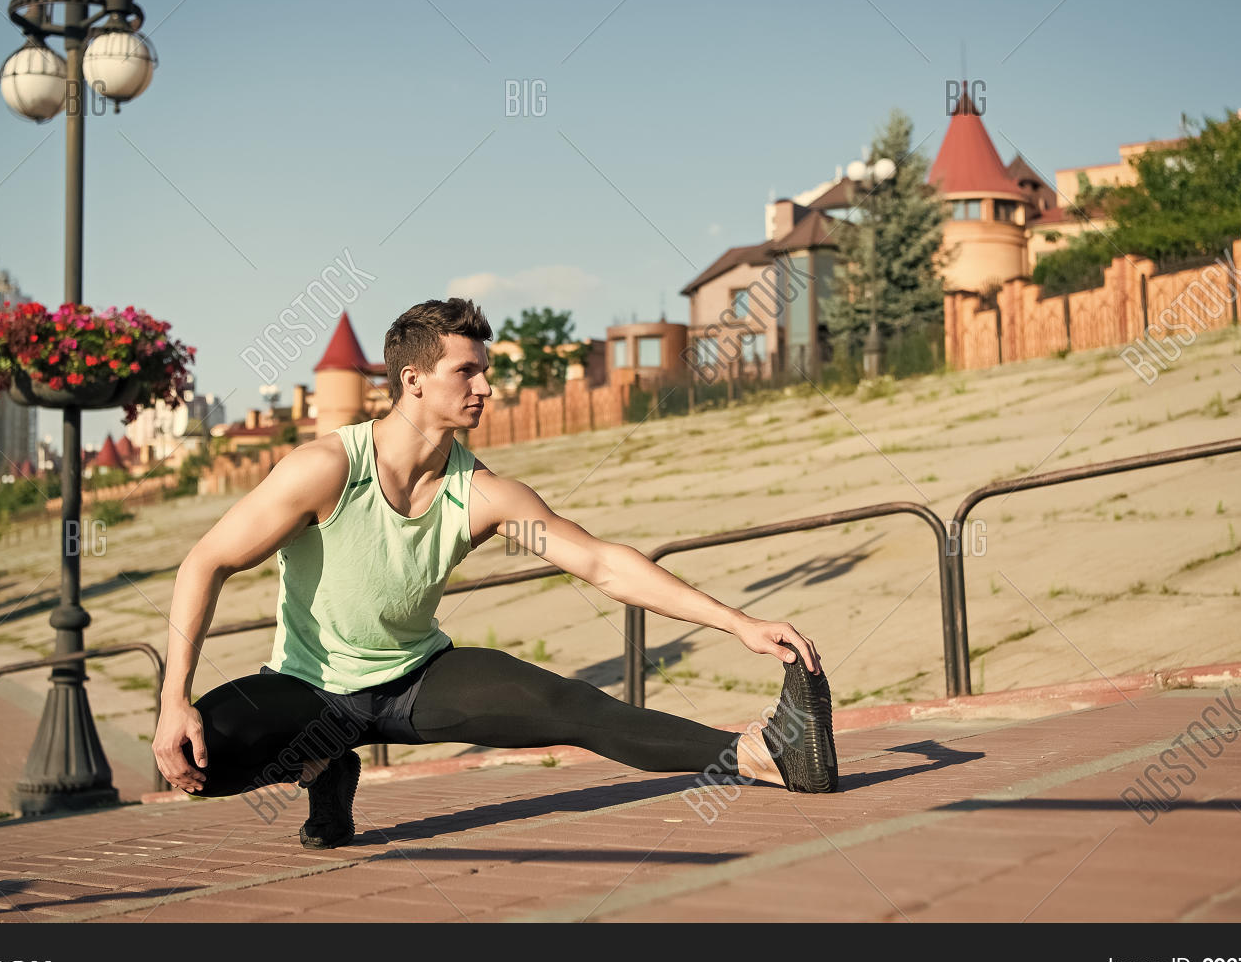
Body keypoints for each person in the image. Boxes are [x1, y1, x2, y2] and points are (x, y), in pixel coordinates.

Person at [152, 298, 838, 849]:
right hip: (313, 689)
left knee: (573, 707)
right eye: (466, 372)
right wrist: (172, 698)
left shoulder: (480, 493)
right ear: (412, 379)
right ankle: (326, 767)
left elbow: (600, 562)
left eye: (485, 370)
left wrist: (737, 622)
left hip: (416, 679)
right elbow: (205, 561)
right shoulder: (326, 468)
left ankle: (764, 752)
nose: (485, 386)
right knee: (193, 759)